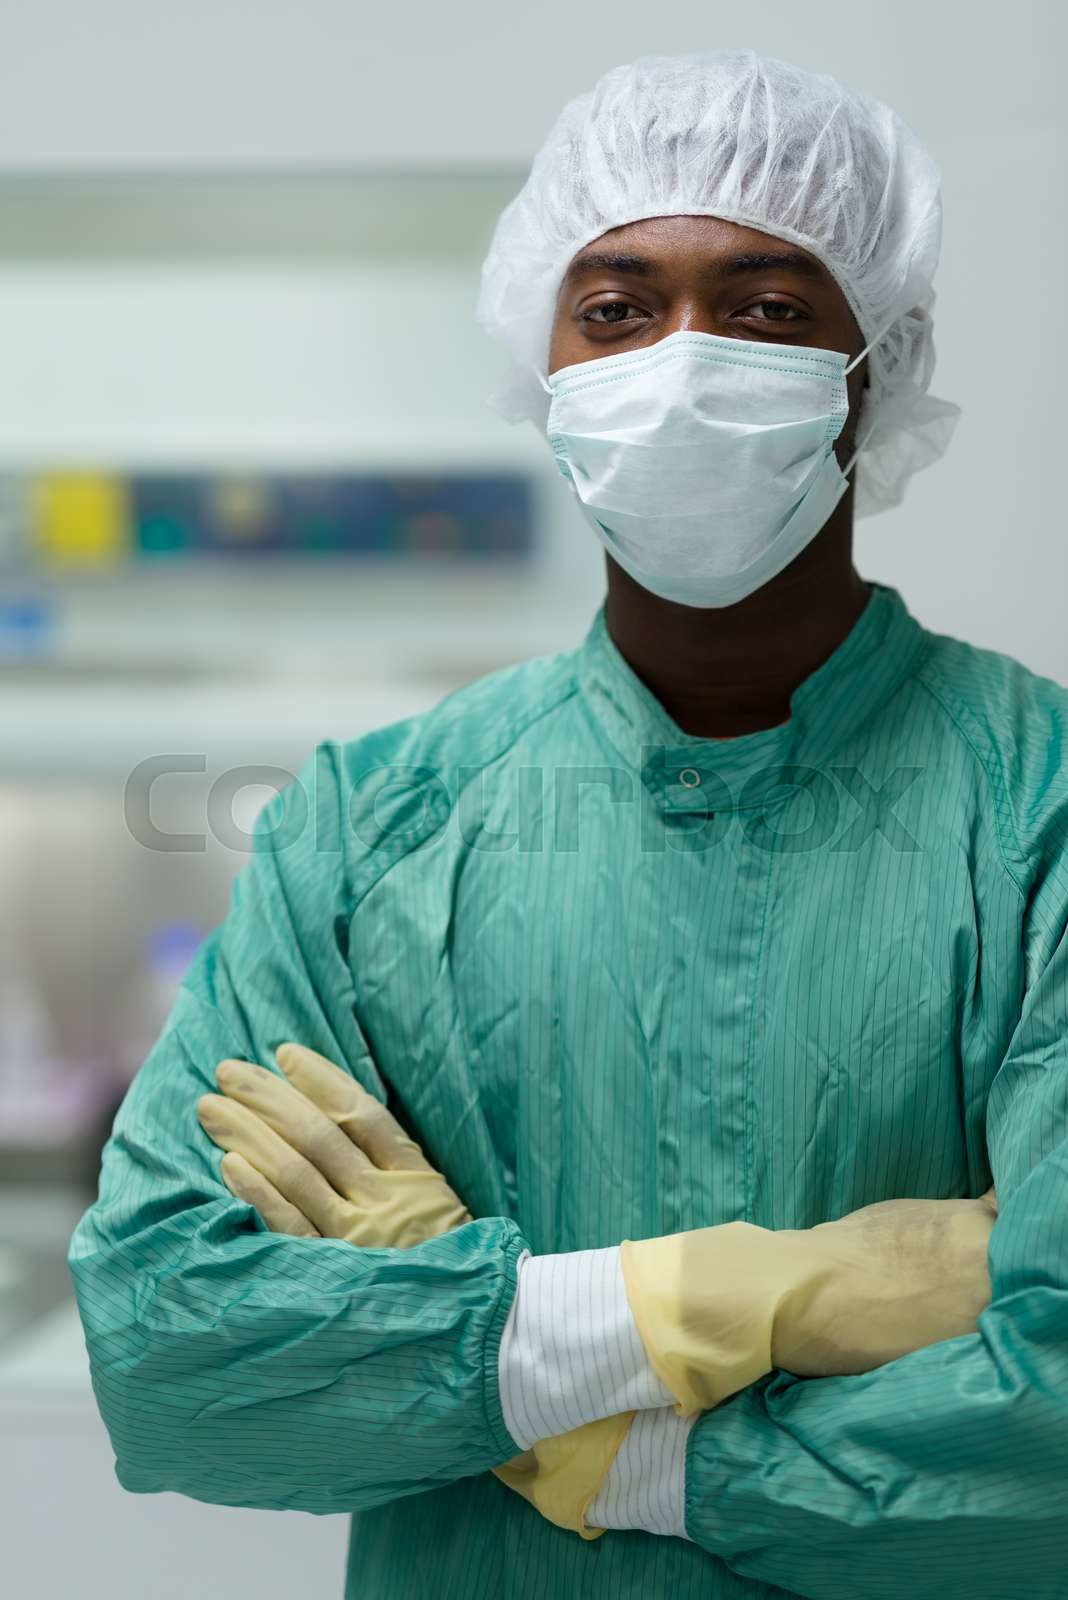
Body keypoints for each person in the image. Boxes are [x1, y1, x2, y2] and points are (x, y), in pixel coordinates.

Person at [70, 50, 1068, 1600]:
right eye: (615, 308)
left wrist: (571, 1427)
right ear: (544, 373)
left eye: (765, 306)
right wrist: (729, 1302)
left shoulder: (1040, 804)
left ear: (876, 366)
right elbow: (173, 1352)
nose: (681, 360)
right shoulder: (370, 824)